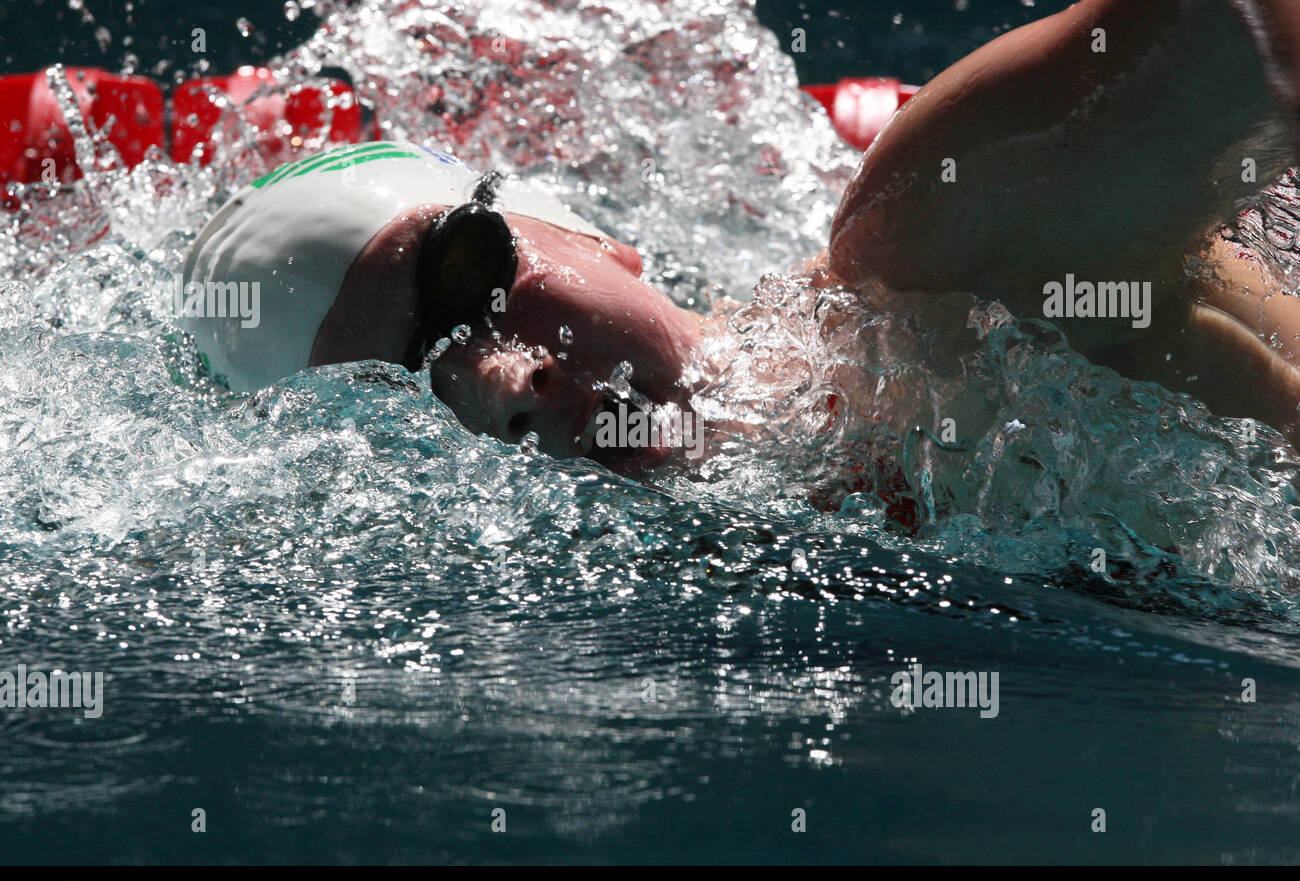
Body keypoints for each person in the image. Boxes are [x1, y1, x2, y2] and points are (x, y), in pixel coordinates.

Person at [183, 0, 1300, 473]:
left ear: (602, 235)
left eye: (466, 275)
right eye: (404, 392)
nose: (499, 382)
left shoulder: (941, 257)